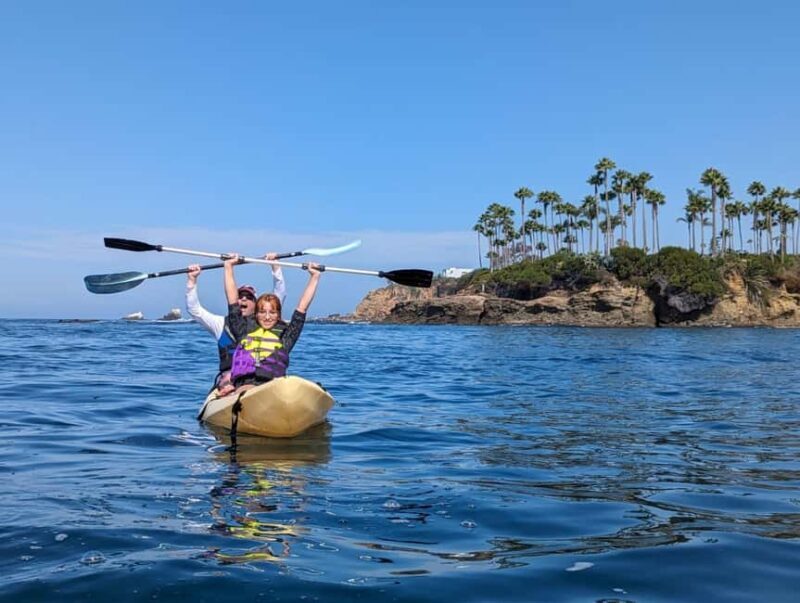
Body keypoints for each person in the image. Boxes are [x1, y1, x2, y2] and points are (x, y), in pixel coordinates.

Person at [186, 252, 286, 394]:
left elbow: (279, 295)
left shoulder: (265, 321)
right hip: (230, 376)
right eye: (240, 296)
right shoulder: (220, 324)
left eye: (248, 297)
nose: (243, 300)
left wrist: (275, 267)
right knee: (228, 378)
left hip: (259, 375)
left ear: (256, 304)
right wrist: (192, 280)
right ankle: (230, 392)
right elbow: (194, 310)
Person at [223, 253, 323, 394]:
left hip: (273, 388)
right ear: (256, 314)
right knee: (248, 389)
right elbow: (232, 301)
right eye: (263, 312)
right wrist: (228, 267)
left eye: (272, 312)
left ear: (278, 315)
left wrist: (314, 277)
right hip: (246, 386)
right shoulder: (243, 330)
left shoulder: (285, 338)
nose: (267, 317)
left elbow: (301, 309)